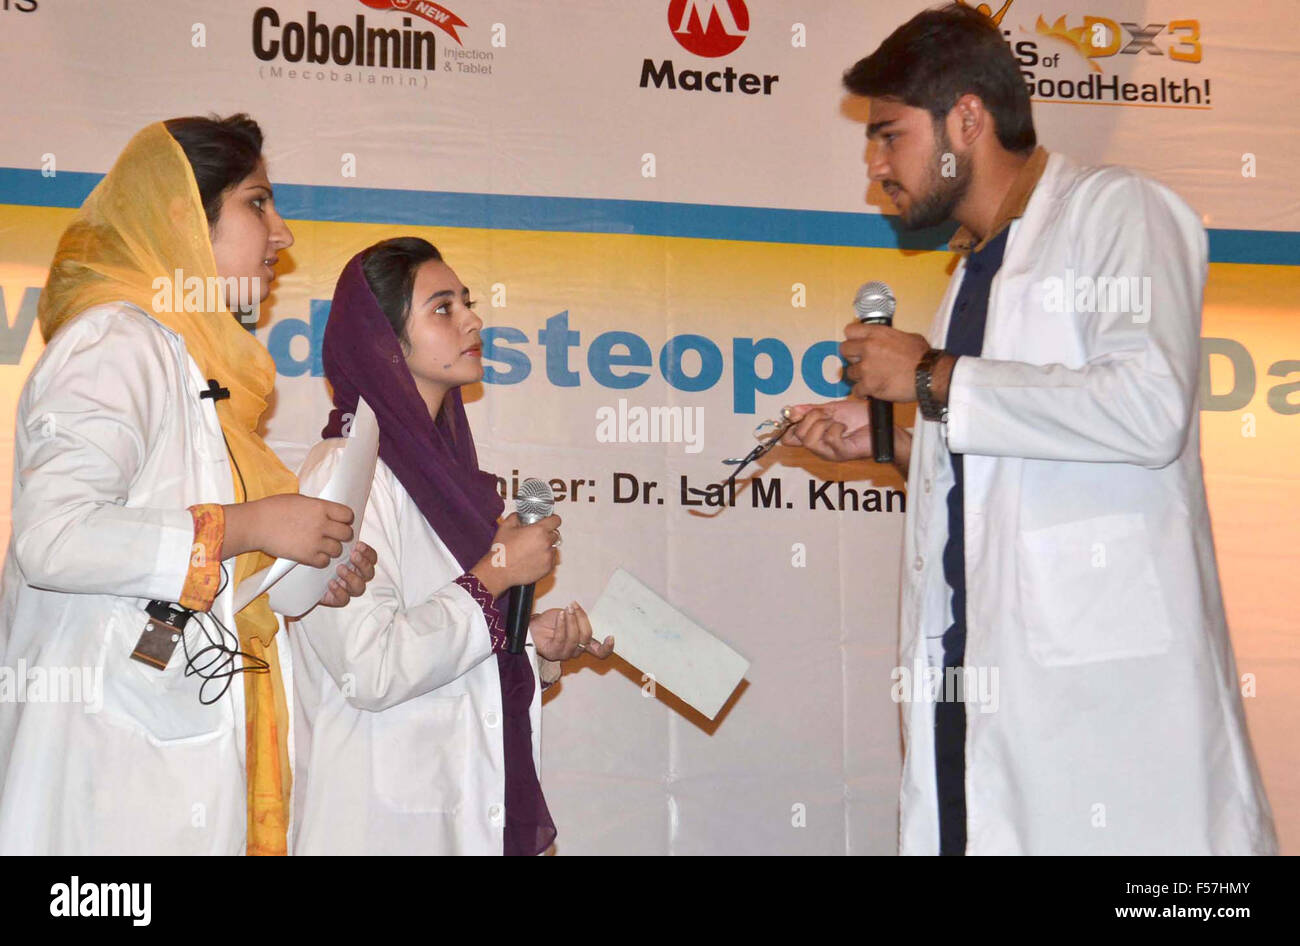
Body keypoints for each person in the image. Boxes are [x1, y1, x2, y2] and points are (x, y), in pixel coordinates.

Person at [783, 4, 1277, 855]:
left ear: (966, 119)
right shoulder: (979, 263)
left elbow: (1148, 409)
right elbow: (1022, 456)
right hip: (971, 687)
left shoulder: (1119, 213)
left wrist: (932, 377)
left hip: (1106, 713)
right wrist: (899, 441)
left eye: (888, 136)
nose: (873, 166)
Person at [0, 115, 377, 855]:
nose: (283, 234)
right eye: (258, 203)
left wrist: (293, 571)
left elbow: (187, 563)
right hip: (103, 779)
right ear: (183, 215)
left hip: (175, 768)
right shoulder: (117, 341)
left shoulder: (200, 368)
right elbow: (53, 538)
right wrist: (254, 528)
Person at [289, 237, 613, 855]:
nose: (472, 319)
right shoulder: (343, 472)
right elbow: (370, 667)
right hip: (379, 828)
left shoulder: (455, 478)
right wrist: (496, 573)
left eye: (466, 301)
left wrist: (529, 640)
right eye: (442, 308)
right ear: (385, 339)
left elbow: (444, 630)